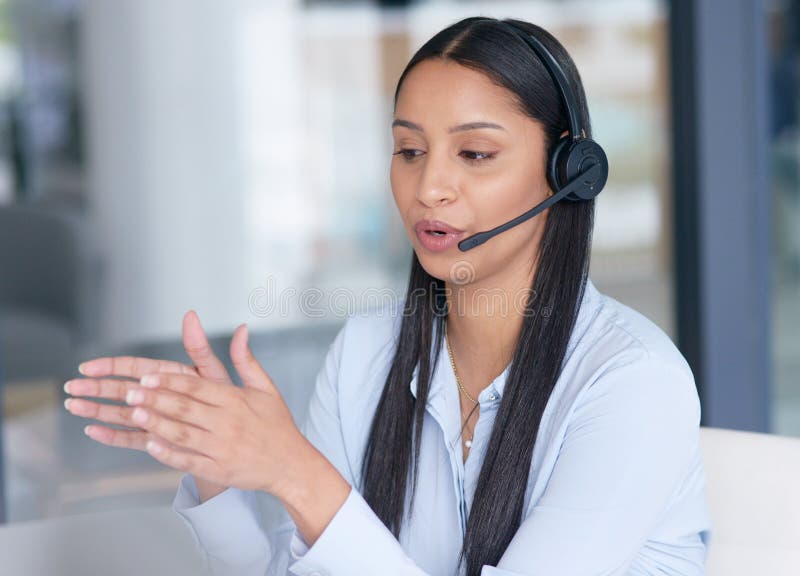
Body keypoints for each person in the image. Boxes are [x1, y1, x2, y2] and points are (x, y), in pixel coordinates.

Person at [64, 16, 713, 576]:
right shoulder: (366, 352)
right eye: (409, 150)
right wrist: (220, 465)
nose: (429, 187)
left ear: (569, 172)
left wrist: (295, 471)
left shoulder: (632, 383)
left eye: (476, 153)